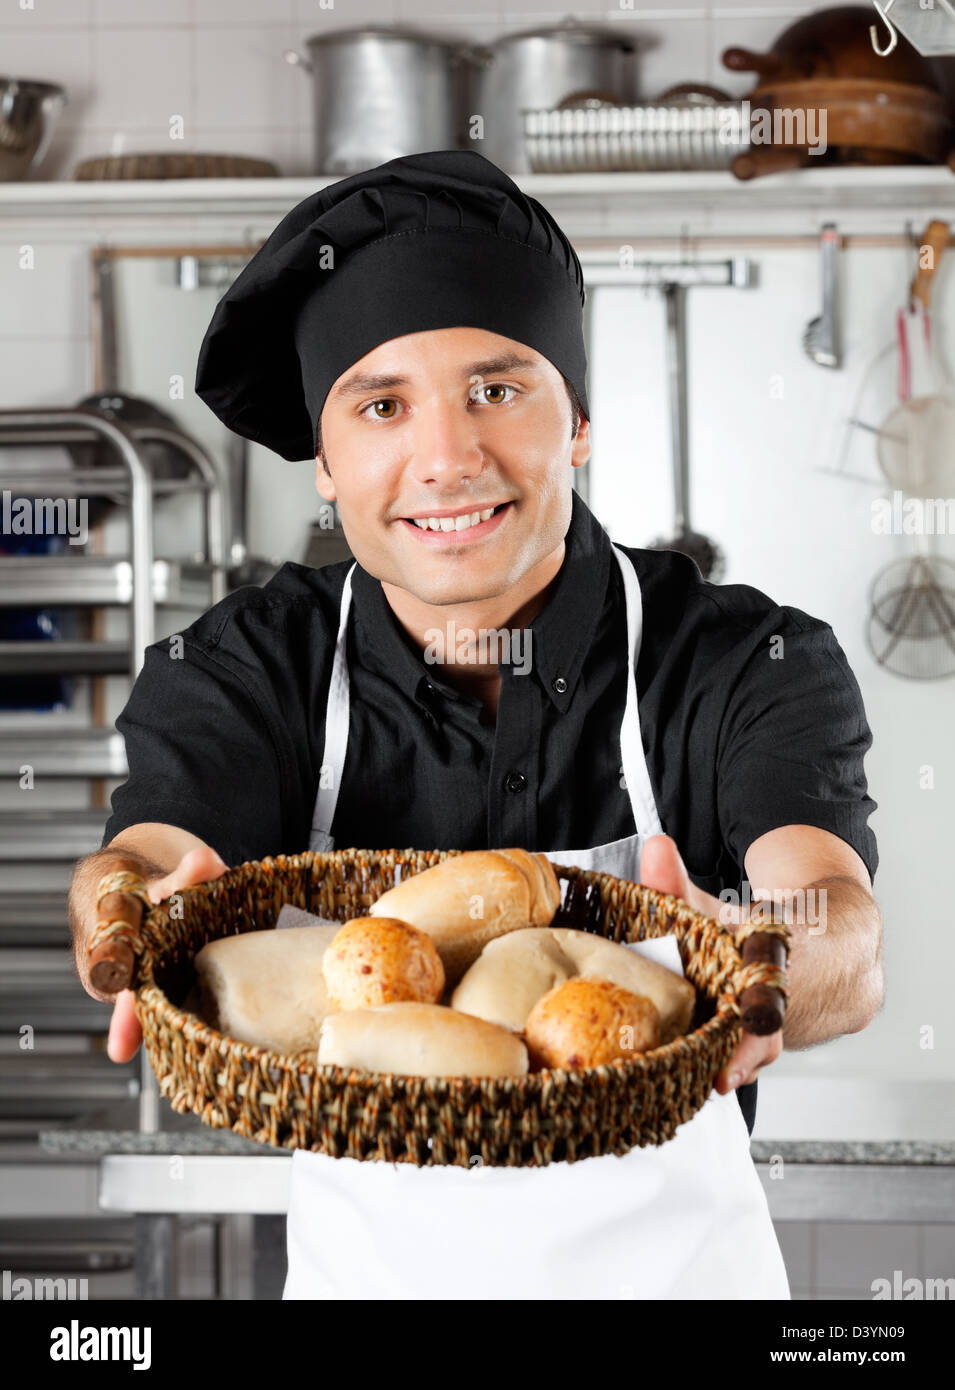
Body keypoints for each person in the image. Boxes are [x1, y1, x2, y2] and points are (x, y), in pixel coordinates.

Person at [69, 150, 883, 1300]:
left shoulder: (738, 655)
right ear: (325, 457)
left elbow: (838, 920)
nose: (447, 459)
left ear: (581, 421)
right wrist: (124, 908)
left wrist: (769, 959)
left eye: (496, 390)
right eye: (383, 405)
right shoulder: (253, 664)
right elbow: (144, 857)